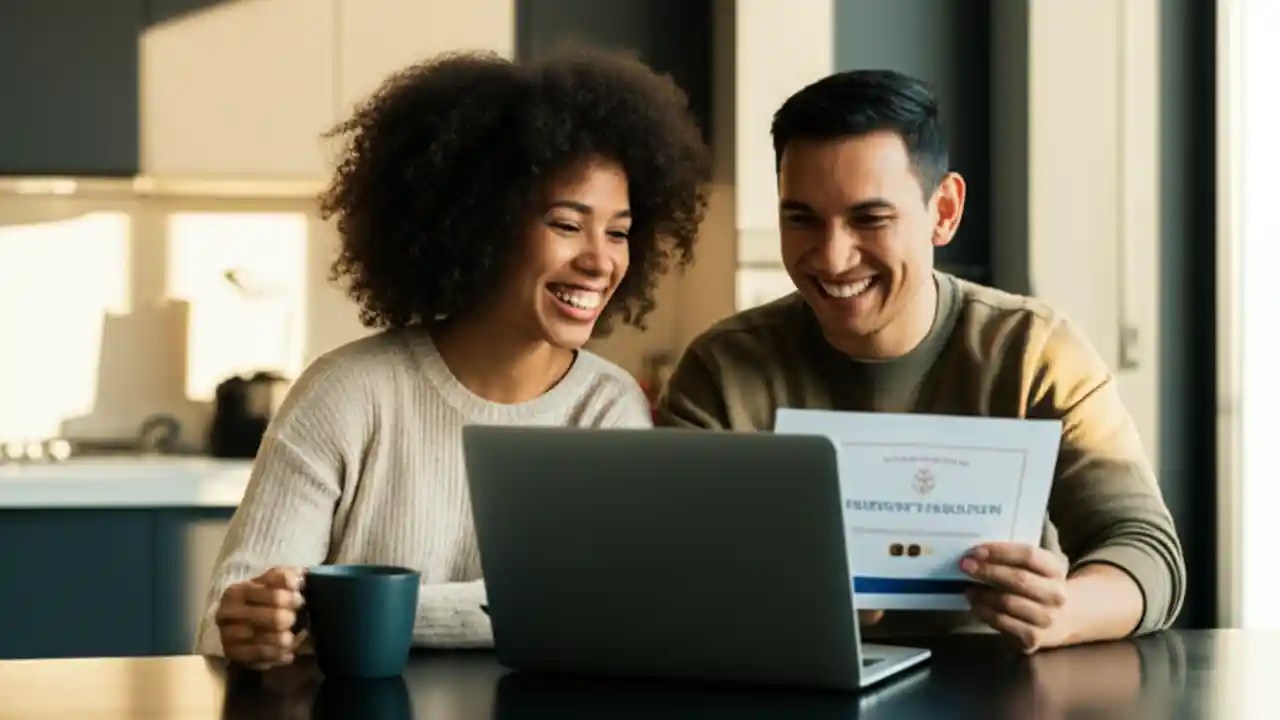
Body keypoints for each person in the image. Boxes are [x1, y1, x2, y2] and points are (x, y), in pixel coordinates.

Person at [195, 48, 710, 668]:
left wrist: (365, 611)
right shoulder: (346, 393)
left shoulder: (609, 406)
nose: (601, 261)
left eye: (619, 232)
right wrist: (254, 625)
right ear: (480, 225)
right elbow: (228, 627)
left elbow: (608, 618)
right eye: (567, 224)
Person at [657, 69, 1185, 653]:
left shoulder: (1036, 353)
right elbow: (674, 581)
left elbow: (1146, 551)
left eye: (870, 219)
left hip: (1003, 687)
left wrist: (1067, 612)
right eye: (801, 218)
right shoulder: (721, 372)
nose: (832, 258)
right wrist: (804, 608)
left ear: (945, 211)